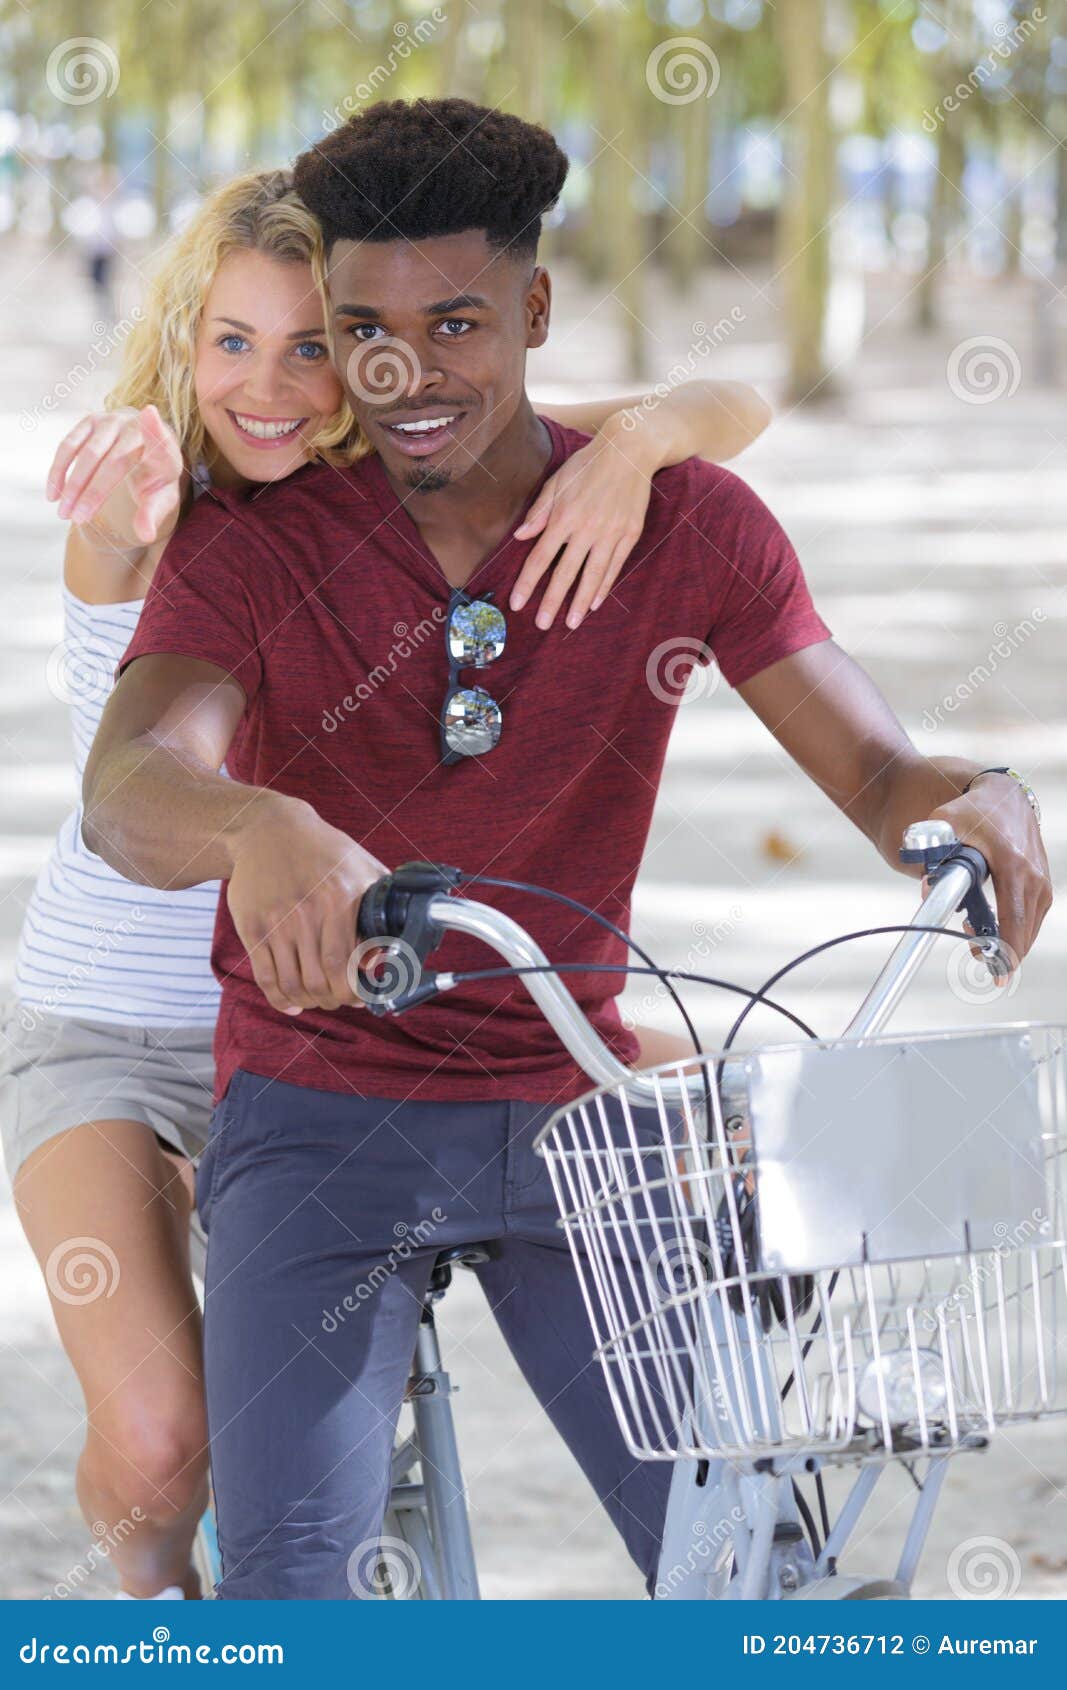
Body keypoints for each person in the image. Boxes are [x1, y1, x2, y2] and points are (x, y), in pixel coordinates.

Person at [82, 99, 1051, 1601]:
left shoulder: (689, 527)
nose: (405, 374)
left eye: (458, 321)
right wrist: (254, 820)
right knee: (298, 1601)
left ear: (537, 308)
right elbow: (130, 774)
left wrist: (970, 789)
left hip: (576, 1114)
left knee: (750, 1566)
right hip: (317, 1109)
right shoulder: (260, 543)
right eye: (362, 330)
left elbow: (871, 764)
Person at [1, 165, 770, 1601]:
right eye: (230, 342)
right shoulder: (153, 507)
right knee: (164, 1442)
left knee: (678, 1067)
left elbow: (734, 407)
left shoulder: (428, 478)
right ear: (179, 344)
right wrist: (127, 500)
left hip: (337, 1027)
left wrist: (636, 443)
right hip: (115, 1030)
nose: (270, 385)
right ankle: (154, 1610)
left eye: (310, 346)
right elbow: (117, 577)